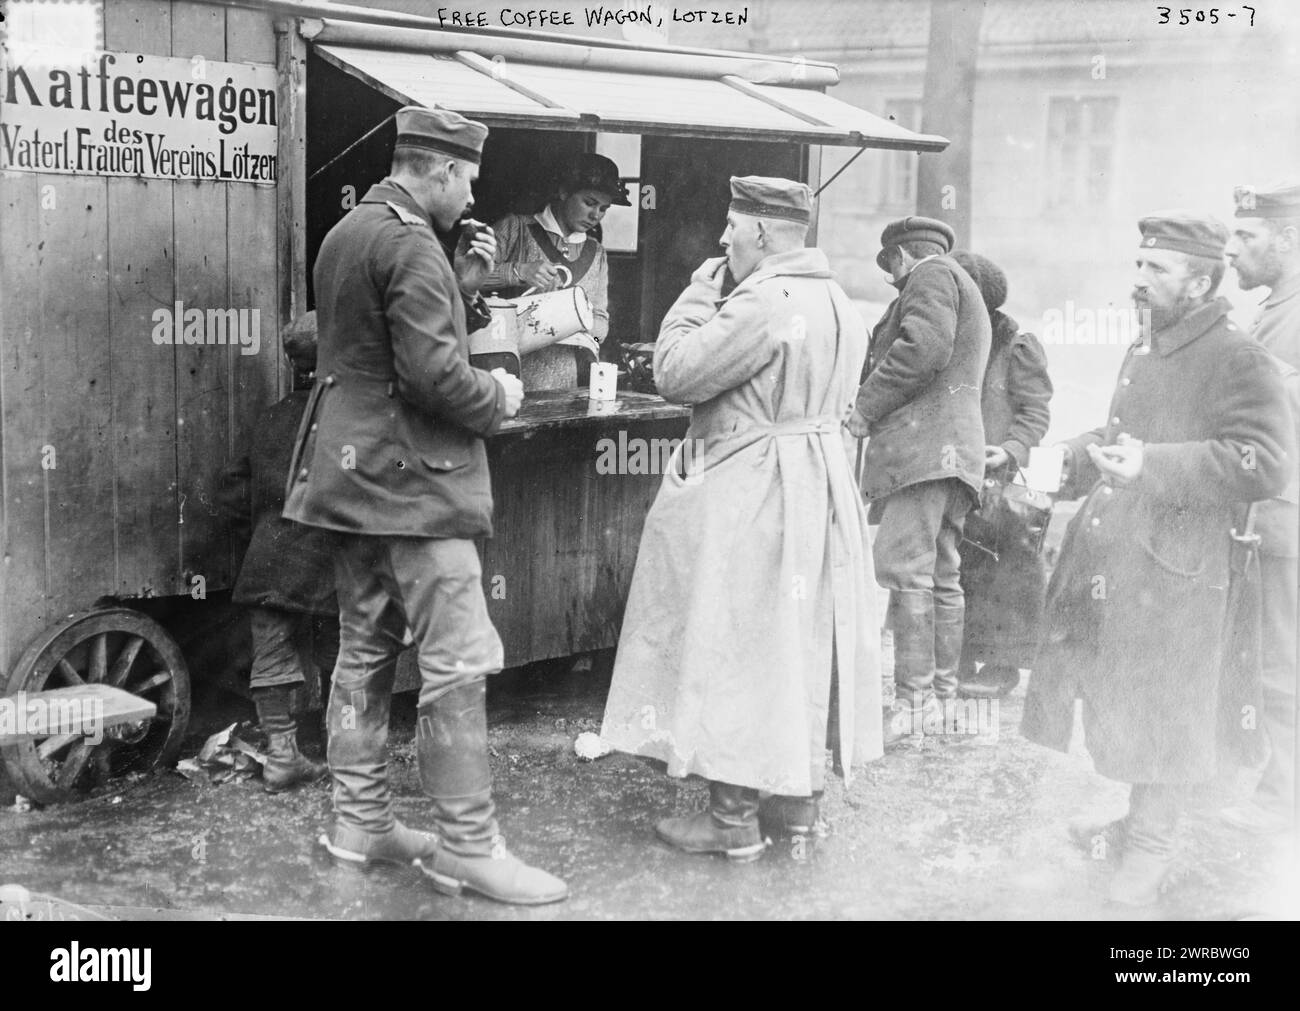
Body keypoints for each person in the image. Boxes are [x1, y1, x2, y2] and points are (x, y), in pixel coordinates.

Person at [282, 106, 566, 906]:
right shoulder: (410, 243)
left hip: (351, 482)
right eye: (468, 176)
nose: (472, 192)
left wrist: (460, 285)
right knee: (459, 660)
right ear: (438, 169)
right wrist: (502, 392)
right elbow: (436, 378)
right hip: (416, 488)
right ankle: (469, 848)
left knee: (365, 651)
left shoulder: (354, 232)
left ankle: (360, 823)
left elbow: (362, 343)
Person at [600, 176, 882, 859]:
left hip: (758, 485)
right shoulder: (838, 298)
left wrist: (702, 287)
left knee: (738, 636)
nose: (724, 239)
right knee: (797, 643)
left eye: (732, 227)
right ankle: (796, 804)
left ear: (760, 232)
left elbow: (675, 370)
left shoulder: (764, 299)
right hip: (818, 484)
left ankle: (730, 817)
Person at [1021, 212, 1294, 906]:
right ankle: (1139, 817)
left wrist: (1152, 466)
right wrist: (1068, 460)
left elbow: (1262, 463)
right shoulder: (1151, 344)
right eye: (1137, 267)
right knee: (1128, 695)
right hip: (1128, 549)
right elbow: (1127, 437)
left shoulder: (1237, 355)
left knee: (1172, 704)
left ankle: (1153, 840)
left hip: (1184, 565)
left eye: (1156, 271)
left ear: (1200, 281)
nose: (1138, 283)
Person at [846, 217, 991, 742]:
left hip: (924, 450)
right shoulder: (958, 280)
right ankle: (942, 699)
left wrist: (865, 405)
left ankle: (914, 702)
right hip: (953, 452)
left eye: (890, 269)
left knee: (903, 569)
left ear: (902, 256)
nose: (891, 280)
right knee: (940, 573)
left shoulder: (930, 276)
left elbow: (923, 349)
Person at [216, 313, 339, 792]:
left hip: (266, 560)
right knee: (342, 651)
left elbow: (230, 491)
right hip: (329, 561)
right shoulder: (349, 417)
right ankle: (344, 751)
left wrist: (266, 530)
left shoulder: (269, 416)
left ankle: (283, 757)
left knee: (271, 657)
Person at [1220, 180, 1300, 835]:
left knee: (1284, 657)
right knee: (1267, 653)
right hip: (1265, 508)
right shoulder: (1274, 307)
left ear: (1291, 236)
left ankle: (1284, 797)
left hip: (1289, 511)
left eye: (1247, 236)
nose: (1230, 249)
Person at [948, 251, 1053, 699]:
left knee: (1001, 574)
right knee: (955, 567)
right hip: (953, 474)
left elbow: (1035, 412)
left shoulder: (1017, 345)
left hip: (996, 482)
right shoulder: (946, 336)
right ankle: (956, 656)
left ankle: (1002, 664)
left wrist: (1010, 450)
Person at [481, 153, 630, 390]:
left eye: (604, 209)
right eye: (589, 203)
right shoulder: (514, 228)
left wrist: (583, 329)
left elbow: (601, 320)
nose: (596, 216)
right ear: (563, 192)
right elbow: (460, 279)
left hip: (568, 382)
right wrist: (517, 271)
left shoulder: (597, 252)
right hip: (504, 376)